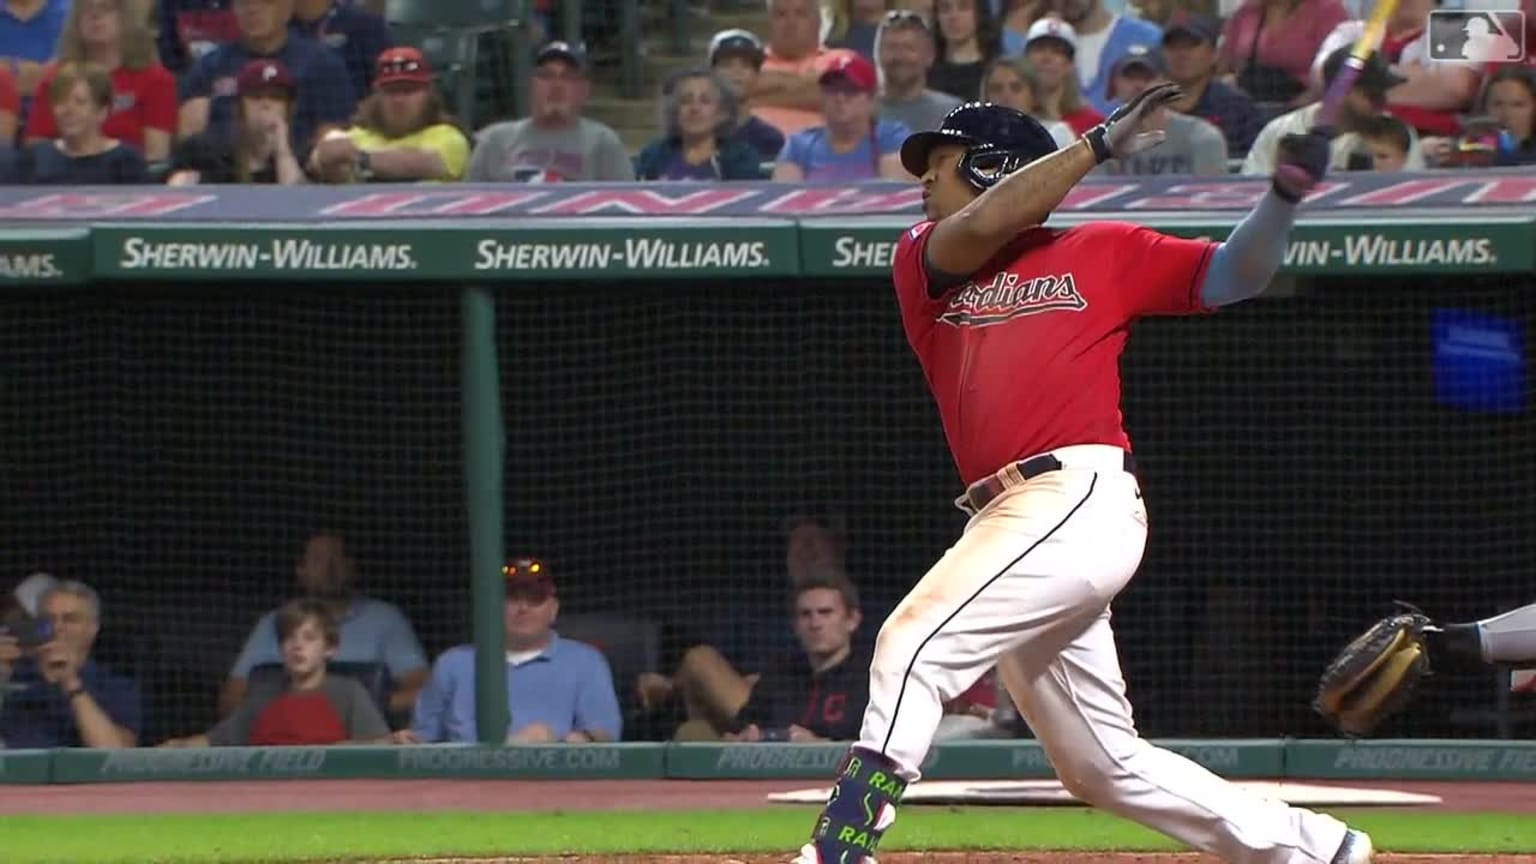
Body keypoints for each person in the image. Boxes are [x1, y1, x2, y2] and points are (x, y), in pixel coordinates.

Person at [787, 94, 1375, 864]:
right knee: (1100, 765)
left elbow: (1236, 275)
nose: (923, 184)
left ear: (994, 167)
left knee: (912, 638)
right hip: (1003, 516)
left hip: (1075, 495)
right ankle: (1313, 848)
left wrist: (1283, 197)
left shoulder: (1105, 249)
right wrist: (1098, 144)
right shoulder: (924, 257)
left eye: (940, 165)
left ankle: (840, 845)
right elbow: (980, 225)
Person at [159, 599, 406, 747]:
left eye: (308, 638)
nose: (297, 646)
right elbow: (216, 742)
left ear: (330, 648)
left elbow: (376, 747)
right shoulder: (263, 695)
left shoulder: (348, 693)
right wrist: (176, 747)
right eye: (289, 638)